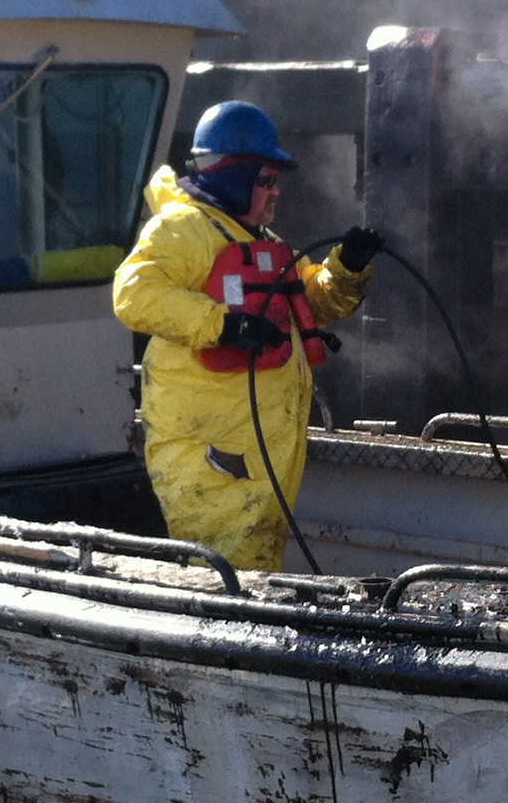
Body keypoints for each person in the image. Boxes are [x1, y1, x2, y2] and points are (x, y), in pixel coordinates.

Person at [113, 101, 379, 572]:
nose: (276, 194)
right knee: (220, 581)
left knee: (251, 570)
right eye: (265, 181)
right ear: (233, 177)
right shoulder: (184, 231)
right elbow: (134, 293)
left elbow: (315, 301)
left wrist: (347, 266)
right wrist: (221, 325)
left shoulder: (263, 243)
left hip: (254, 455)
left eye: (276, 182)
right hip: (212, 458)